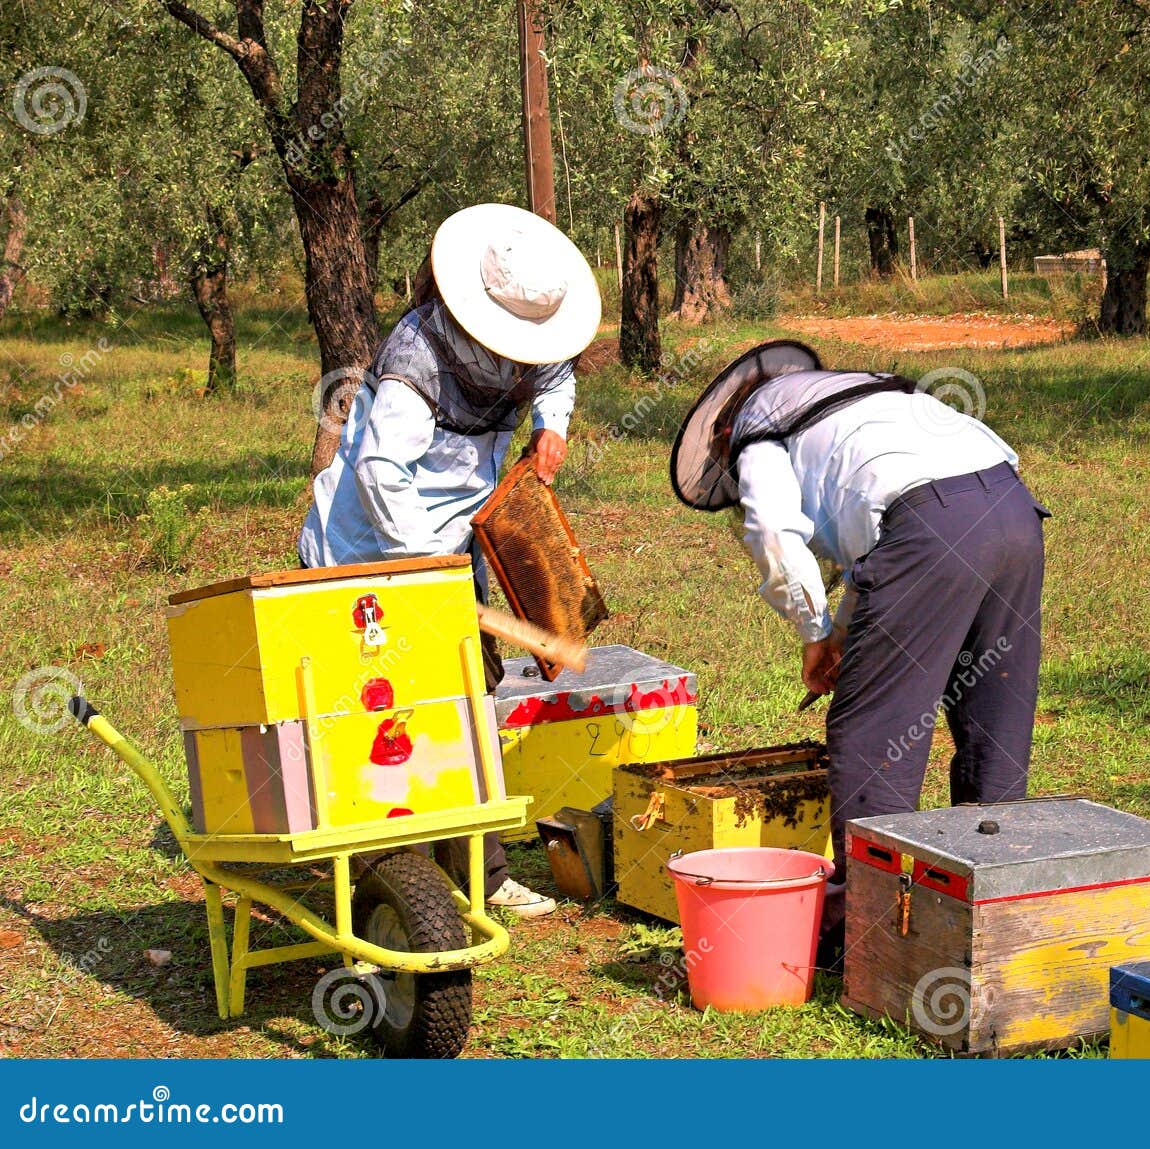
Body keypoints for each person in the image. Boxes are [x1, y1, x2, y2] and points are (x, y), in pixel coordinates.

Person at [669, 341, 1048, 964]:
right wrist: (840, 638)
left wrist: (815, 634)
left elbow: (774, 534)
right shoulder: (867, 399)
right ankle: (998, 910)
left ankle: (867, 934)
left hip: (929, 528)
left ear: (732, 426)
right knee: (995, 715)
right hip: (1012, 511)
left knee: (872, 731)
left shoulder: (760, 440)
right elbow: (875, 554)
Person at [299, 202, 601, 919]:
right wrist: (421, 577)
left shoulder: (530, 345)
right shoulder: (415, 360)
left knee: (469, 697)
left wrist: (552, 428)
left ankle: (482, 874)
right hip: (368, 556)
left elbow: (556, 376)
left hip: (453, 544)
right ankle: (374, 878)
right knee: (371, 707)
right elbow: (378, 472)